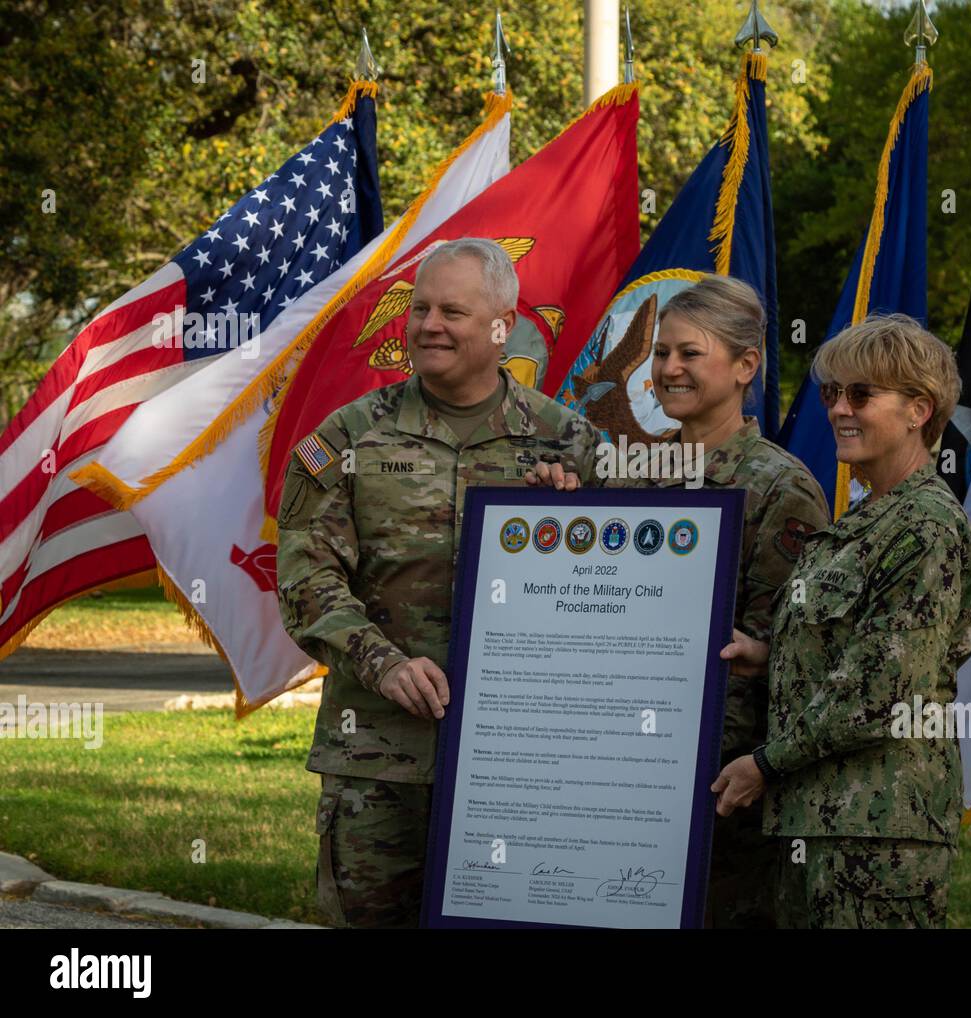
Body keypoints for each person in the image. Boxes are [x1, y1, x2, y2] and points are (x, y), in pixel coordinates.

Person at [276, 237, 595, 928]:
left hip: (523, 762)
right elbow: (306, 577)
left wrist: (572, 520)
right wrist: (381, 664)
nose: (429, 325)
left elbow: (608, 596)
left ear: (502, 326)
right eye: (420, 308)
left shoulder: (566, 441)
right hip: (380, 756)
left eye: (453, 310)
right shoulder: (350, 437)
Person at [537, 275, 829, 927]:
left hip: (716, 799)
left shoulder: (783, 491)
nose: (667, 369)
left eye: (689, 354)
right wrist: (543, 515)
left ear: (745, 366)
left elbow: (794, 657)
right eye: (661, 352)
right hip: (611, 781)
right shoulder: (625, 473)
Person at [711, 313, 971, 930]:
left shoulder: (924, 526)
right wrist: (769, 654)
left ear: (919, 410)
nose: (838, 409)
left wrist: (765, 764)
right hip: (821, 821)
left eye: (861, 394)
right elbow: (847, 647)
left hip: (878, 833)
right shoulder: (867, 518)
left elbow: (880, 691)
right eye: (832, 393)